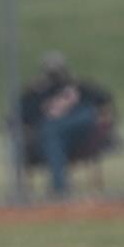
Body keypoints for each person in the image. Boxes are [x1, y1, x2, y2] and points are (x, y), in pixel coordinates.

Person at [19, 50, 114, 198]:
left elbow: (104, 99)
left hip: (80, 132)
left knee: (67, 121)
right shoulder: (36, 93)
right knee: (51, 131)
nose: (55, 75)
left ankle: (59, 187)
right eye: (51, 71)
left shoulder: (78, 86)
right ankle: (60, 188)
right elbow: (22, 116)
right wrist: (33, 92)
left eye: (57, 70)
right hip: (51, 138)